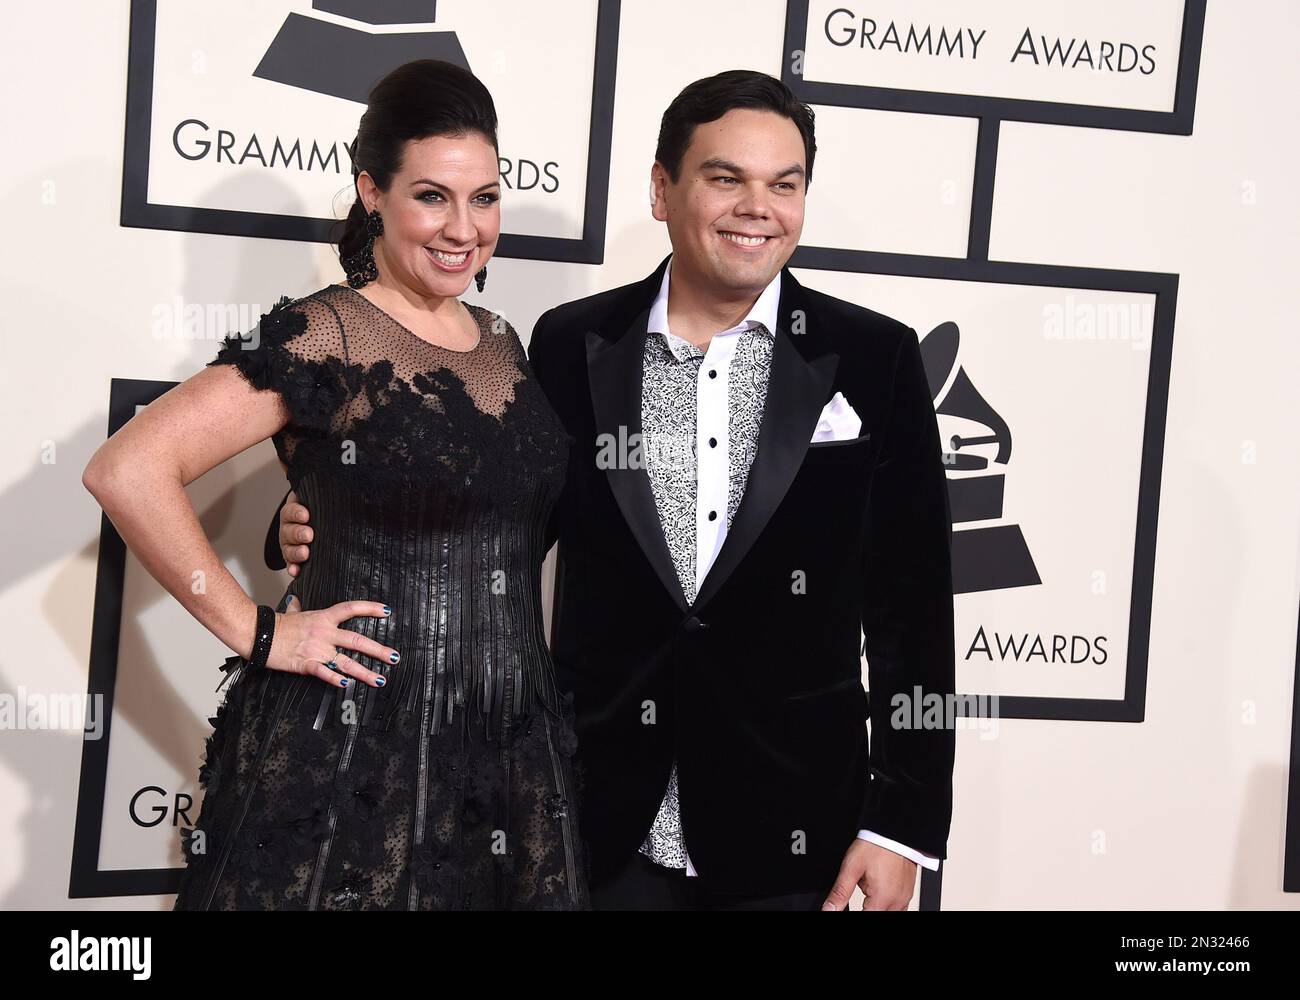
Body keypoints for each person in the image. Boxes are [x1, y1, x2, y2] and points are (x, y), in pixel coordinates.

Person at [276, 69, 956, 911]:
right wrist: (329, 518)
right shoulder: (572, 344)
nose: (759, 207)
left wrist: (901, 825)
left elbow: (914, 609)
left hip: (798, 832)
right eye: (726, 178)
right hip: (590, 822)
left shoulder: (875, 358)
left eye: (785, 184)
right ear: (662, 189)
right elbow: (494, 520)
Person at [82, 59, 589, 910]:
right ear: (371, 193)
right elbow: (127, 469)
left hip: (508, 750)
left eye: (485, 197)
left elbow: (458, 506)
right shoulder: (330, 332)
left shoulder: (504, 343)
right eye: (432, 196)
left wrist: (310, 508)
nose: (464, 227)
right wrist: (258, 631)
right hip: (356, 754)